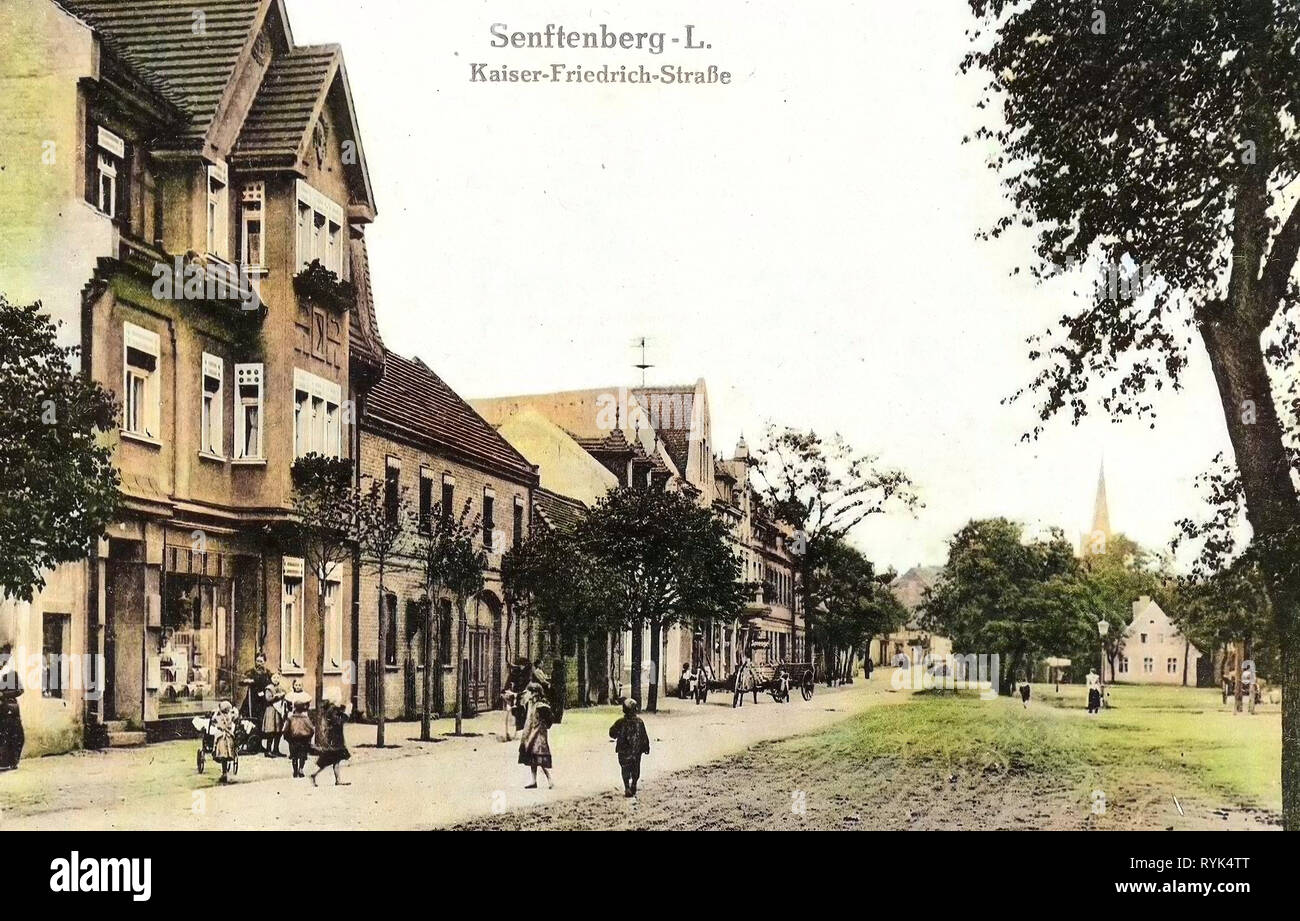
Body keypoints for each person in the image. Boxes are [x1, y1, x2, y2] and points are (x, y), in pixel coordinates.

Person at [608, 699, 651, 797]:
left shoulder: (620, 722)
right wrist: (646, 747)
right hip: (636, 751)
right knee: (636, 768)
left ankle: (627, 787)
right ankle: (634, 783)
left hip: (623, 751)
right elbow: (644, 736)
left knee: (625, 769)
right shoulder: (639, 722)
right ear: (635, 710)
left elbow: (612, 733)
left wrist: (616, 735)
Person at [518, 681, 554, 789]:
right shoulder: (530, 705)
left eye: (528, 692)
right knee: (532, 757)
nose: (526, 694)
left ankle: (549, 779)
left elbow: (549, 719)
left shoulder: (540, 706)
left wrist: (543, 726)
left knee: (539, 757)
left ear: (534, 693)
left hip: (539, 734)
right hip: (531, 733)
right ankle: (533, 781)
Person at [311, 692, 351, 786]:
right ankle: (314, 774)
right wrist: (347, 714)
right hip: (334, 738)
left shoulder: (333, 709)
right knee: (328, 758)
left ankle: (337, 780)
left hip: (335, 737)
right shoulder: (332, 710)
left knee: (335, 759)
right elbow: (338, 722)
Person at [241, 652, 273, 750]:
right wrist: (246, 681)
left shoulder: (267, 673)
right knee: (250, 719)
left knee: (261, 721)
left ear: (265, 662)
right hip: (252, 700)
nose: (259, 663)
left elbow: (272, 682)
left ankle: (259, 743)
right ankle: (250, 742)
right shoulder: (251, 672)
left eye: (261, 661)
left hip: (262, 701)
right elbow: (242, 680)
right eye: (257, 661)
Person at [0, 644, 25, 772]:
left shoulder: (11, 673)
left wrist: (4, 694)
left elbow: (20, 690)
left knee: (15, 735)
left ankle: (12, 761)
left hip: (9, 707)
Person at [283, 679, 314, 778]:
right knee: (302, 754)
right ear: (293, 685)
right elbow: (311, 729)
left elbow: (286, 730)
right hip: (302, 736)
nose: (298, 686)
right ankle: (300, 769)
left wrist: (287, 737)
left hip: (294, 736)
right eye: (296, 684)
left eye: (300, 685)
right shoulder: (290, 695)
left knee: (295, 755)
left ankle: (296, 770)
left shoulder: (305, 696)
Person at [211, 700, 238, 784]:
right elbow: (236, 715)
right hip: (229, 737)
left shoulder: (218, 717)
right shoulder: (230, 716)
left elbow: (213, 719)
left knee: (223, 756)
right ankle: (225, 772)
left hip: (221, 738)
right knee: (226, 755)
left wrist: (216, 712)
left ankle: (224, 773)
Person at [262, 674, 286, 758]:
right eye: (274, 678)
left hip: (279, 711)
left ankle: (276, 749)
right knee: (271, 730)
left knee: (278, 731)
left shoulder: (281, 688)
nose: (276, 679)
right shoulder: (269, 688)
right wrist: (277, 696)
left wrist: (283, 696)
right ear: (271, 679)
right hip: (271, 710)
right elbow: (268, 699)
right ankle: (268, 750)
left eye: (277, 678)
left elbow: (285, 697)